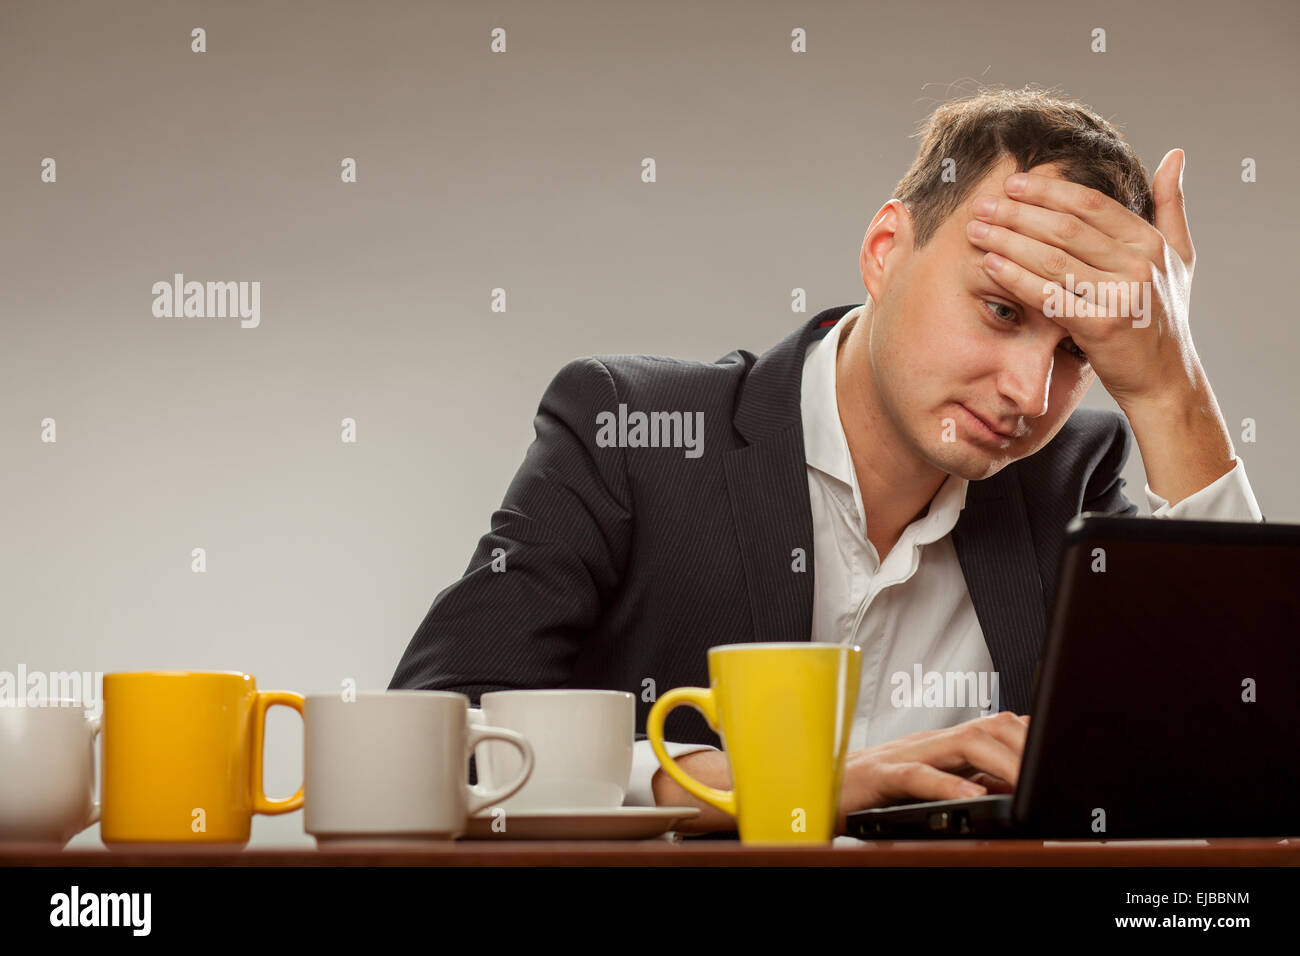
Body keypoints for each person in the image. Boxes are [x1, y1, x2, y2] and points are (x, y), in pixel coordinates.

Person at [389, 87, 1262, 836]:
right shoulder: (630, 432)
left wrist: (1168, 390)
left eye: (1077, 352)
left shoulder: (1073, 476)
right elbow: (427, 741)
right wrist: (796, 788)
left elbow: (1239, 763)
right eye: (1001, 311)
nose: (1030, 393)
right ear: (888, 251)